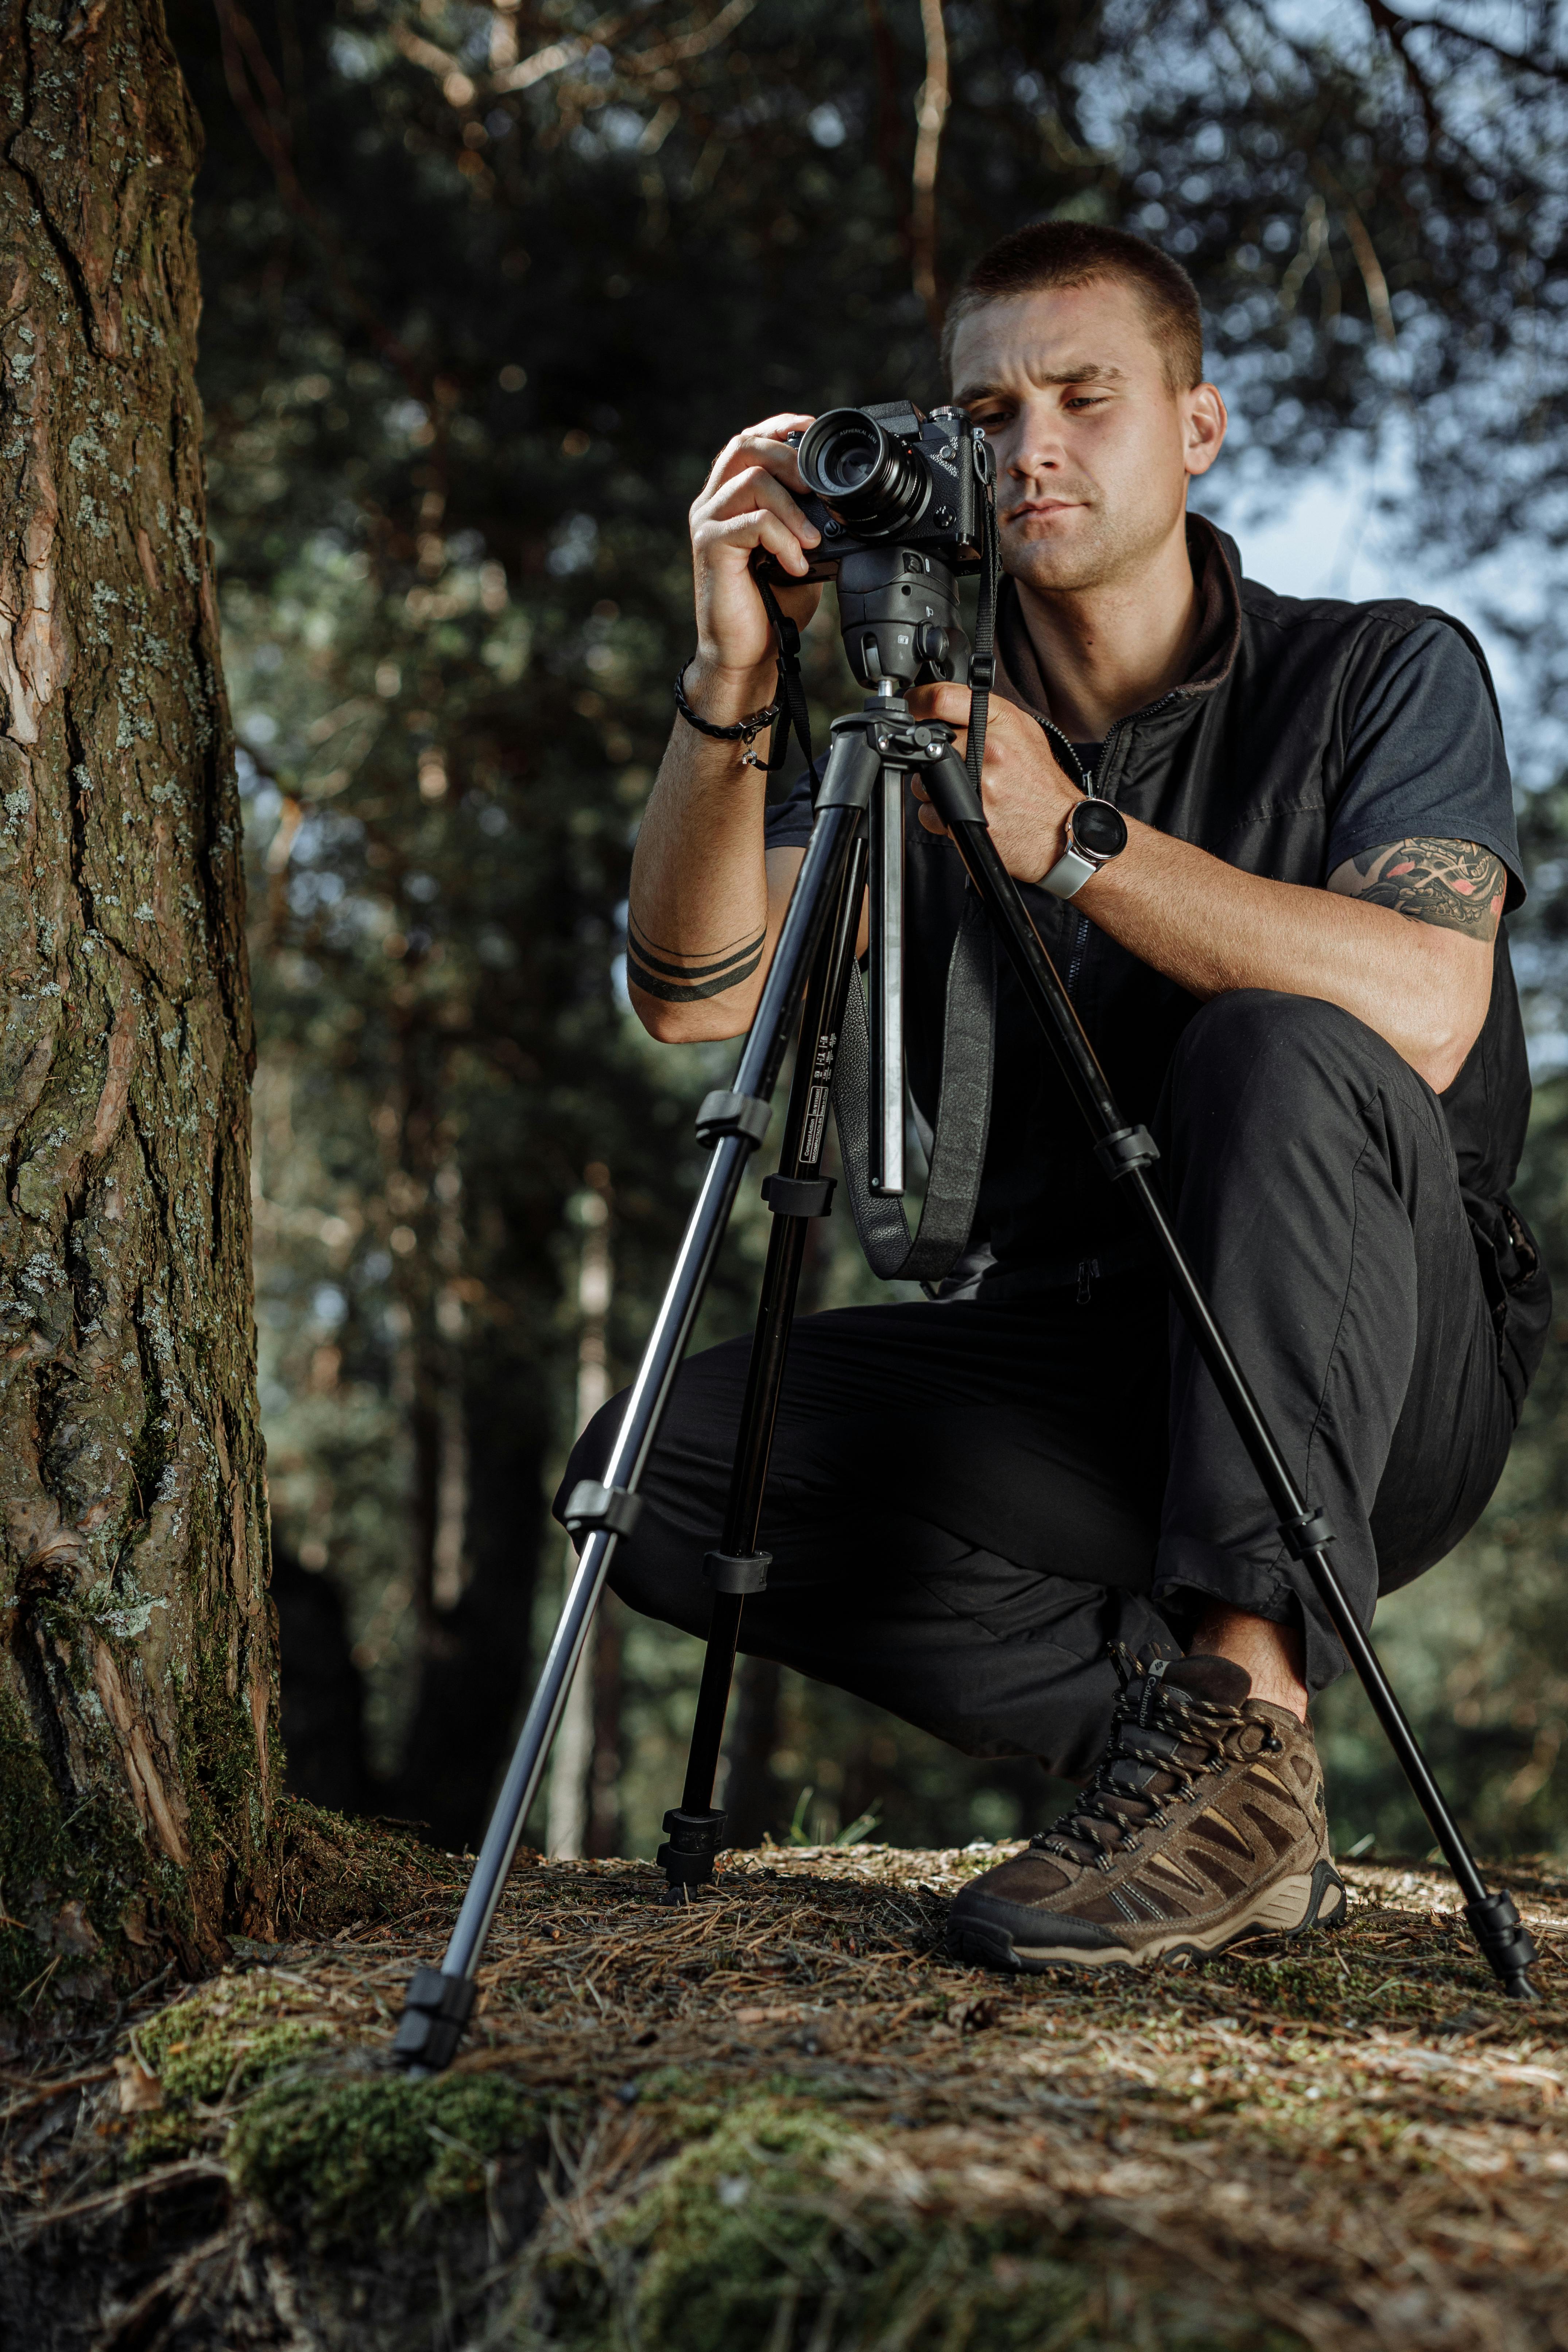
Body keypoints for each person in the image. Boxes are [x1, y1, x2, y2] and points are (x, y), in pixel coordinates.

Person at [558, 222, 1550, 1974]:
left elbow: (1424, 1000)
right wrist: (733, 675)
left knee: (1281, 1034)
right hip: (1080, 1369)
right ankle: (1204, 1768)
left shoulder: (1378, 669)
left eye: (1086, 398)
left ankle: (1243, 1710)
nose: (1031, 448)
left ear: (1198, 424)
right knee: (672, 1469)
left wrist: (1076, 844)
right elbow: (686, 992)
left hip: (1384, 1367)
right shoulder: (927, 722)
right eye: (986, 409)